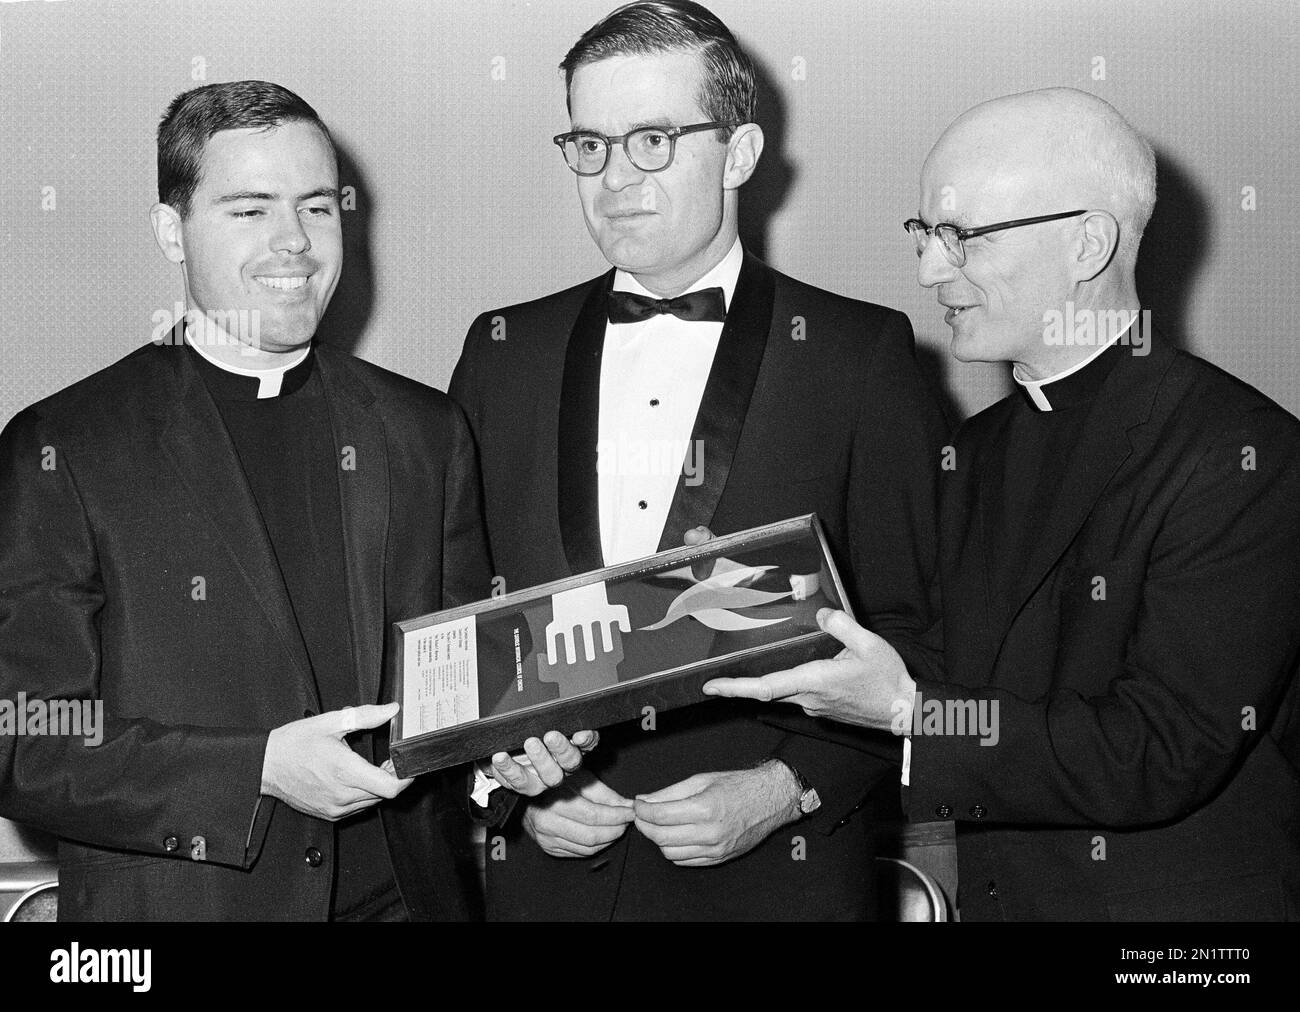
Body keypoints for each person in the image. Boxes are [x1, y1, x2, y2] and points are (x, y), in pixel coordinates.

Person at [706, 87, 1300, 921]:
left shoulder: (1240, 455)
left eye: (963, 237)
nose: (927, 271)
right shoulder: (966, 453)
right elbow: (906, 659)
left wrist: (911, 711)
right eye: (924, 234)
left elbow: (1160, 749)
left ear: (1088, 243)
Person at [0, 80, 584, 921]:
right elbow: (25, 739)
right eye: (249, 211)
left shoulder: (425, 430)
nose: (294, 244)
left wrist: (502, 764)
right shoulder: (64, 447)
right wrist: (259, 769)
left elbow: (458, 695)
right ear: (172, 230)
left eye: (317, 208)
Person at [450, 0, 947, 920]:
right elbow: (455, 620)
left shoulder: (860, 354)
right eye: (589, 145)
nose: (613, 178)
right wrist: (507, 780)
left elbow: (919, 628)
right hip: (552, 892)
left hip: (779, 885)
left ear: (742, 154)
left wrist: (784, 790)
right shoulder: (501, 348)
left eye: (652, 140)